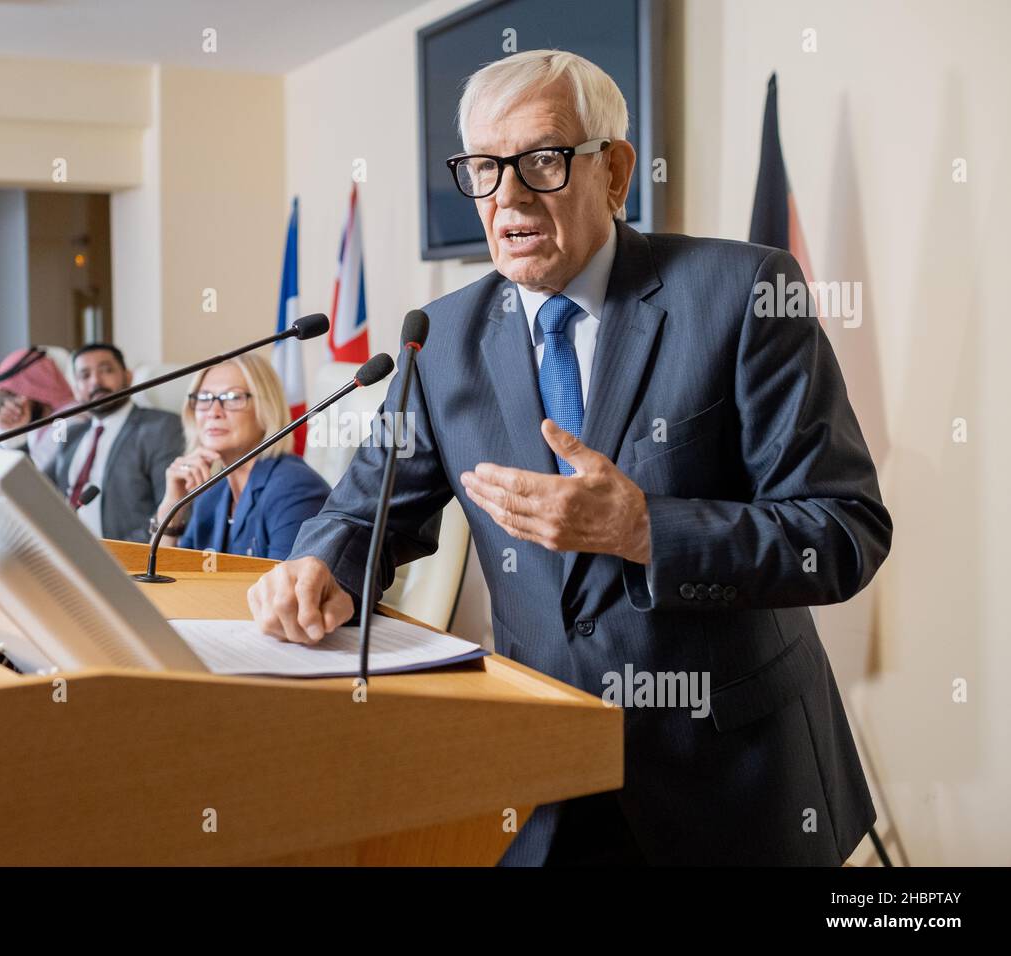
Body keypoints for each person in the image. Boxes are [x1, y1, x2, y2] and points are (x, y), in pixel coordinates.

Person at [246, 50, 892, 867]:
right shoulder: (439, 341)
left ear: (615, 170)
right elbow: (361, 514)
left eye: (541, 160)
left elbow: (842, 532)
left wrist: (647, 530)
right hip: (544, 782)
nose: (506, 196)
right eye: (483, 167)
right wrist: (321, 570)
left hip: (734, 788)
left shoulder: (743, 294)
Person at [152, 354, 330, 560]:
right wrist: (171, 510)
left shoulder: (296, 488)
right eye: (204, 398)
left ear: (266, 408)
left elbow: (287, 590)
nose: (214, 412)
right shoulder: (211, 494)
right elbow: (165, 582)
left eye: (233, 398)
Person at [43, 342, 183, 543]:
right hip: (64, 554)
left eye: (106, 370)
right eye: (85, 376)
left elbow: (173, 510)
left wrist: (112, 555)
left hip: (124, 561)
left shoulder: (161, 427)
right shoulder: (72, 435)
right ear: (75, 389)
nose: (96, 382)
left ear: (128, 376)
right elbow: (35, 487)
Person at [0, 347, 81, 473]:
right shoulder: (35, 417)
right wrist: (6, 429)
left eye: (14, 395)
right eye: (7, 397)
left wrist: (16, 438)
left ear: (36, 390)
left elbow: (36, 477)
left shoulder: (69, 419)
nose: (10, 404)